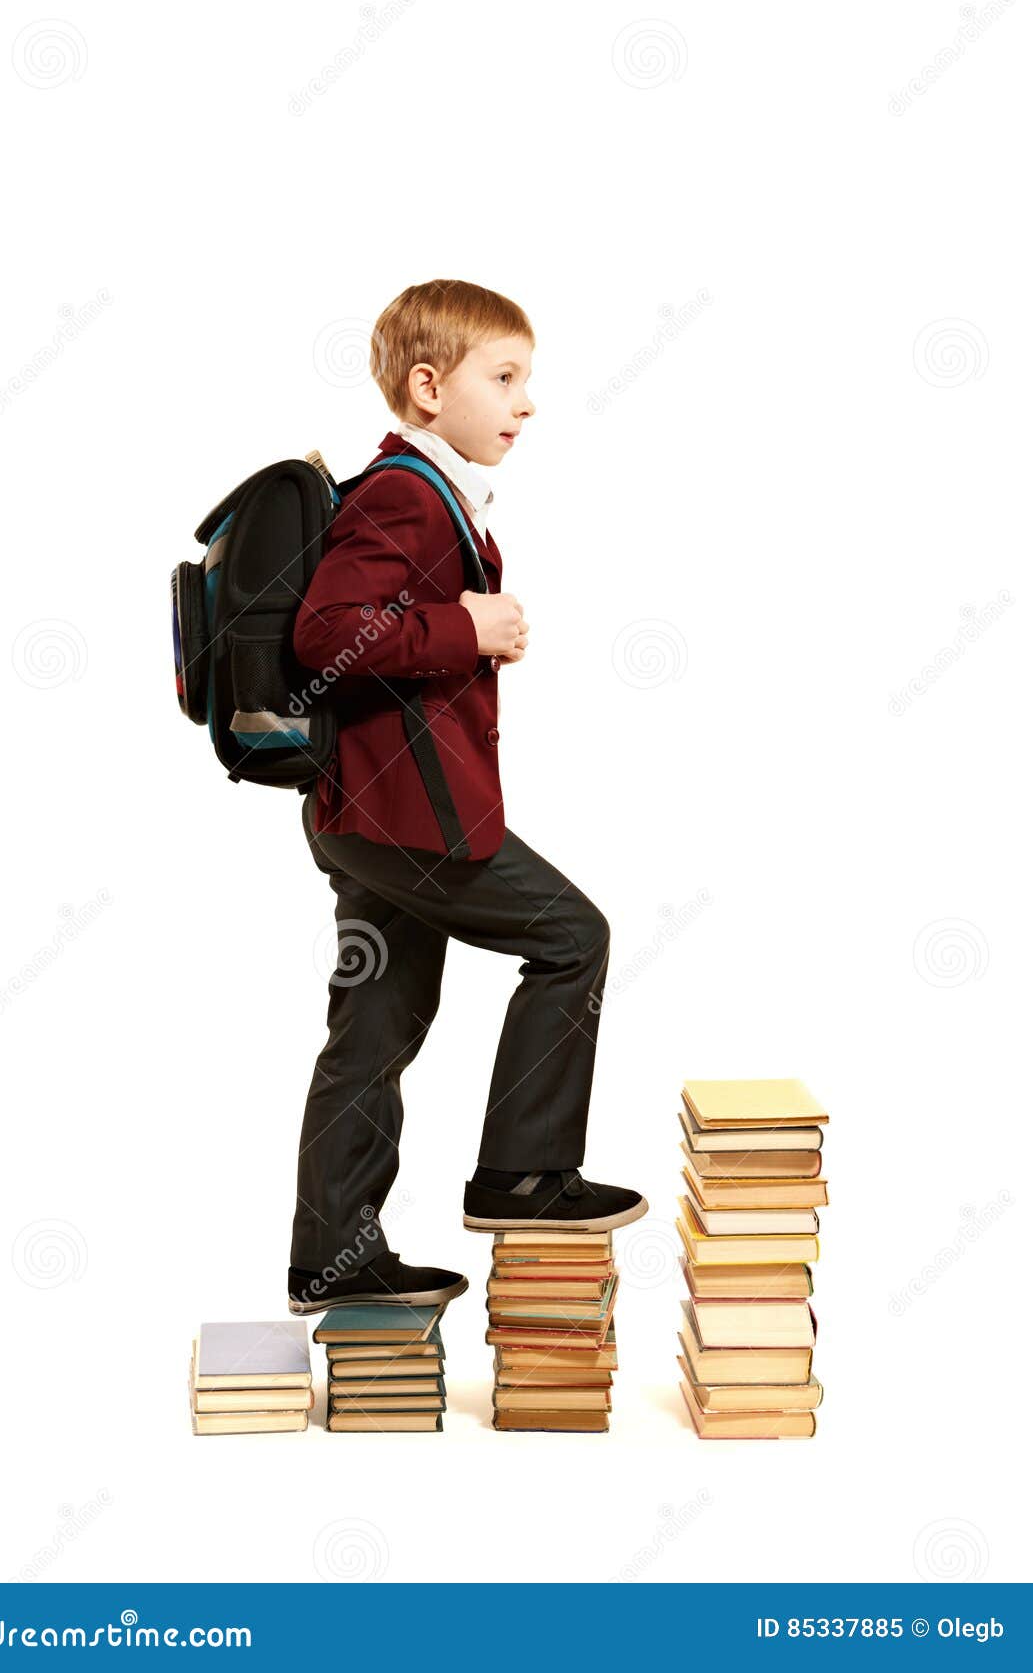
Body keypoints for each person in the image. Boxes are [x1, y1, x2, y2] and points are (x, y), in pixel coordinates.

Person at [288, 279, 646, 1315]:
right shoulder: (405, 493)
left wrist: (462, 628)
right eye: (505, 378)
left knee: (373, 1030)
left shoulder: (427, 491)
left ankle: (333, 1253)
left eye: (527, 379)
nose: (527, 402)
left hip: (364, 817)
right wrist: (471, 629)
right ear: (429, 386)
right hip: (408, 820)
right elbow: (325, 635)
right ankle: (523, 1178)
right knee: (574, 936)